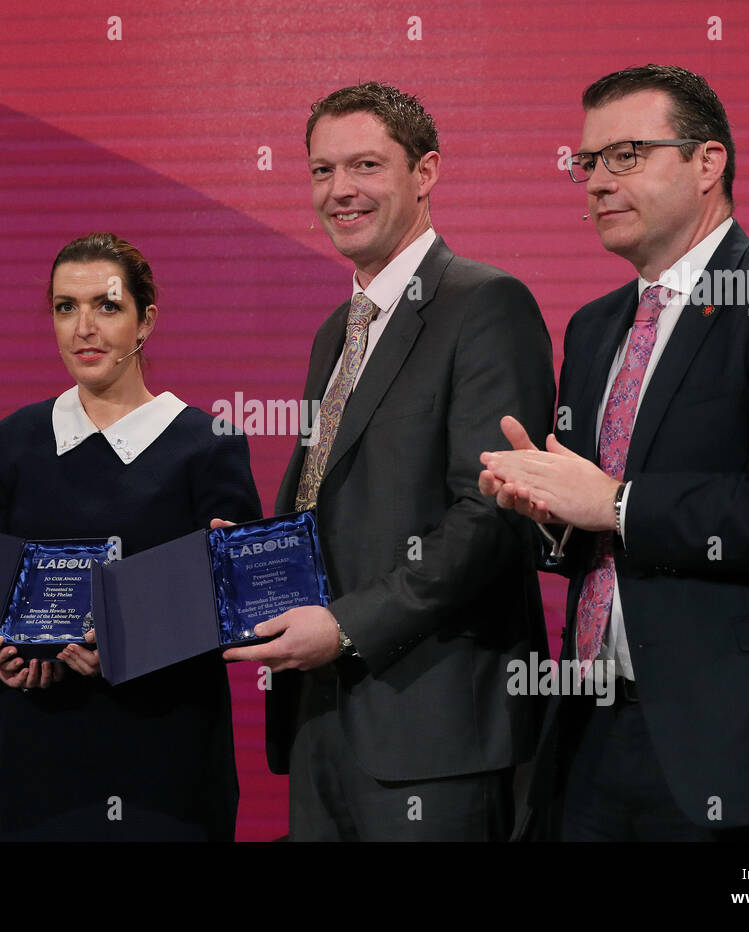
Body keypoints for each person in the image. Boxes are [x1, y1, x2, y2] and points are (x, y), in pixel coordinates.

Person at [480, 64, 749, 841]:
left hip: (744, 748)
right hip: (594, 739)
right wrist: (544, 509)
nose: (599, 182)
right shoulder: (593, 327)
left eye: (628, 154)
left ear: (708, 162)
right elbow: (585, 526)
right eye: (588, 163)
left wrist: (611, 502)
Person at [222, 82, 555, 841]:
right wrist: (256, 557)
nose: (340, 191)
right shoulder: (338, 328)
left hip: (434, 728)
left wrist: (342, 627)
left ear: (426, 172)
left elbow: (491, 514)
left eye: (365, 166)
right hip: (322, 719)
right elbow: (342, 504)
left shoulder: (487, 304)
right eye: (321, 171)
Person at [0, 232, 261, 841]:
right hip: (31, 750)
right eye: (64, 307)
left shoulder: (208, 444)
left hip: (165, 751)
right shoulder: (15, 439)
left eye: (106, 306)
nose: (83, 329)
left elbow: (241, 604)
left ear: (145, 320)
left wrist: (136, 643)